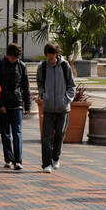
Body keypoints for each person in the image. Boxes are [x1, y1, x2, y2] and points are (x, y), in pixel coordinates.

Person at [36, 42, 77, 172]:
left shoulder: (65, 66)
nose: (50, 57)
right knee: (46, 137)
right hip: (48, 108)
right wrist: (43, 94)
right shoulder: (42, 67)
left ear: (56, 54)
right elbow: (40, 83)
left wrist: (65, 99)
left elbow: (72, 86)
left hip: (62, 108)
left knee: (60, 134)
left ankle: (56, 157)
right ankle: (46, 164)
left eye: (52, 54)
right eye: (48, 55)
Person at [0, 43, 31, 169]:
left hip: (17, 103)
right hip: (4, 104)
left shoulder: (21, 66)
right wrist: (0, 105)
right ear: (8, 55)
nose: (16, 59)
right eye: (14, 57)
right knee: (5, 133)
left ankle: (18, 161)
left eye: (17, 57)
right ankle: (8, 159)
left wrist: (27, 105)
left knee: (17, 133)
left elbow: (26, 86)